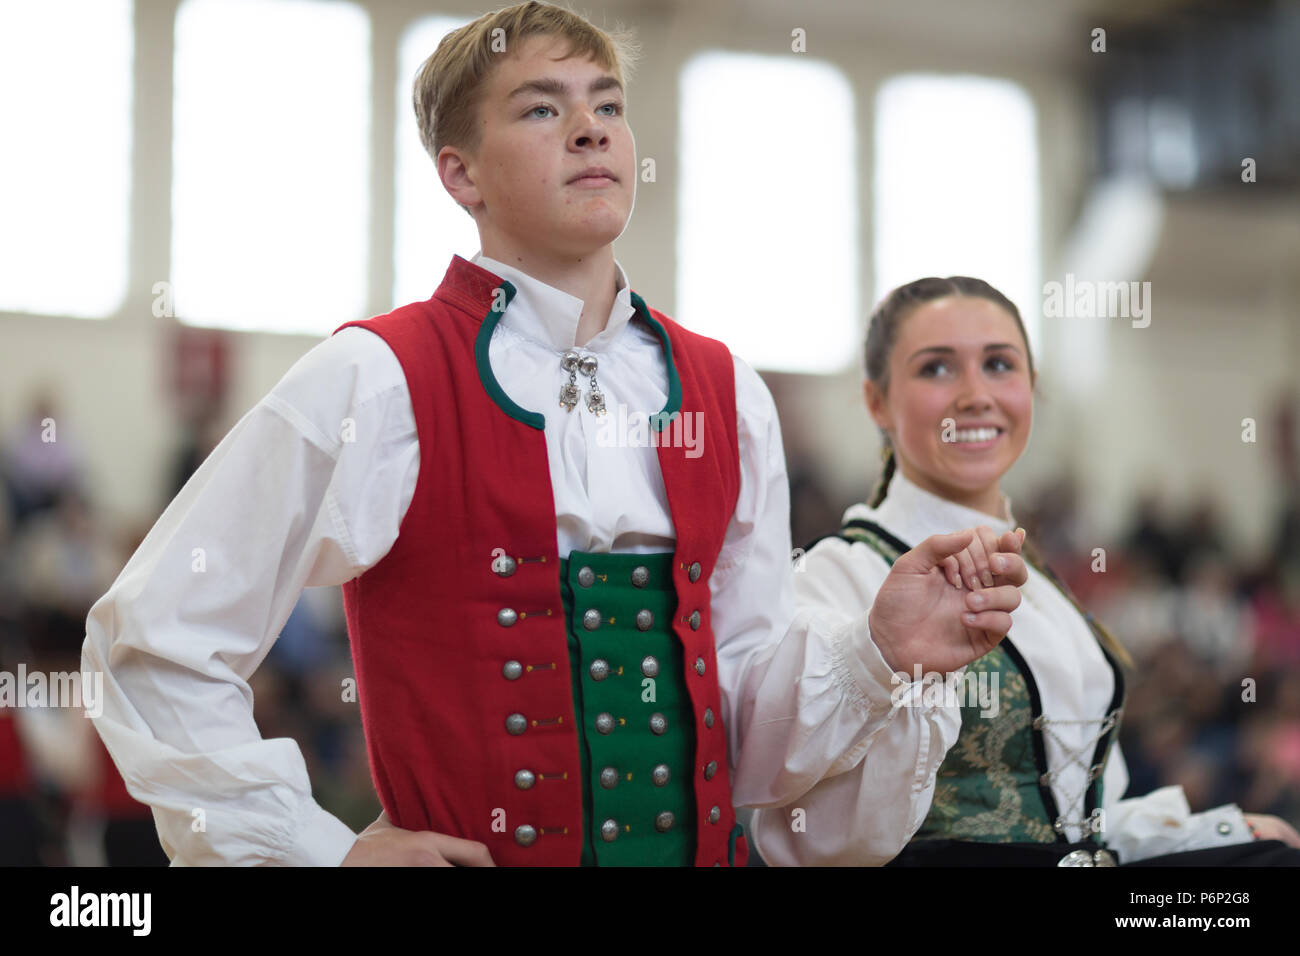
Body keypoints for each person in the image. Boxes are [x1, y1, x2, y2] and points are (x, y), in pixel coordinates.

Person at [81, 3, 1025, 867]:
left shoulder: (725, 390)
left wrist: (874, 651)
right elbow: (154, 644)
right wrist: (320, 853)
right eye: (540, 110)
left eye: (606, 105)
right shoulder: (376, 373)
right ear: (460, 172)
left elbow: (746, 742)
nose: (590, 128)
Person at [749, 276, 1300, 866]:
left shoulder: (1046, 589)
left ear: (1031, 389)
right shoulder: (838, 572)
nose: (975, 394)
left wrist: (1216, 833)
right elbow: (773, 779)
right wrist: (879, 652)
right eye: (936, 368)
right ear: (877, 401)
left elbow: (1080, 823)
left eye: (1000, 365)